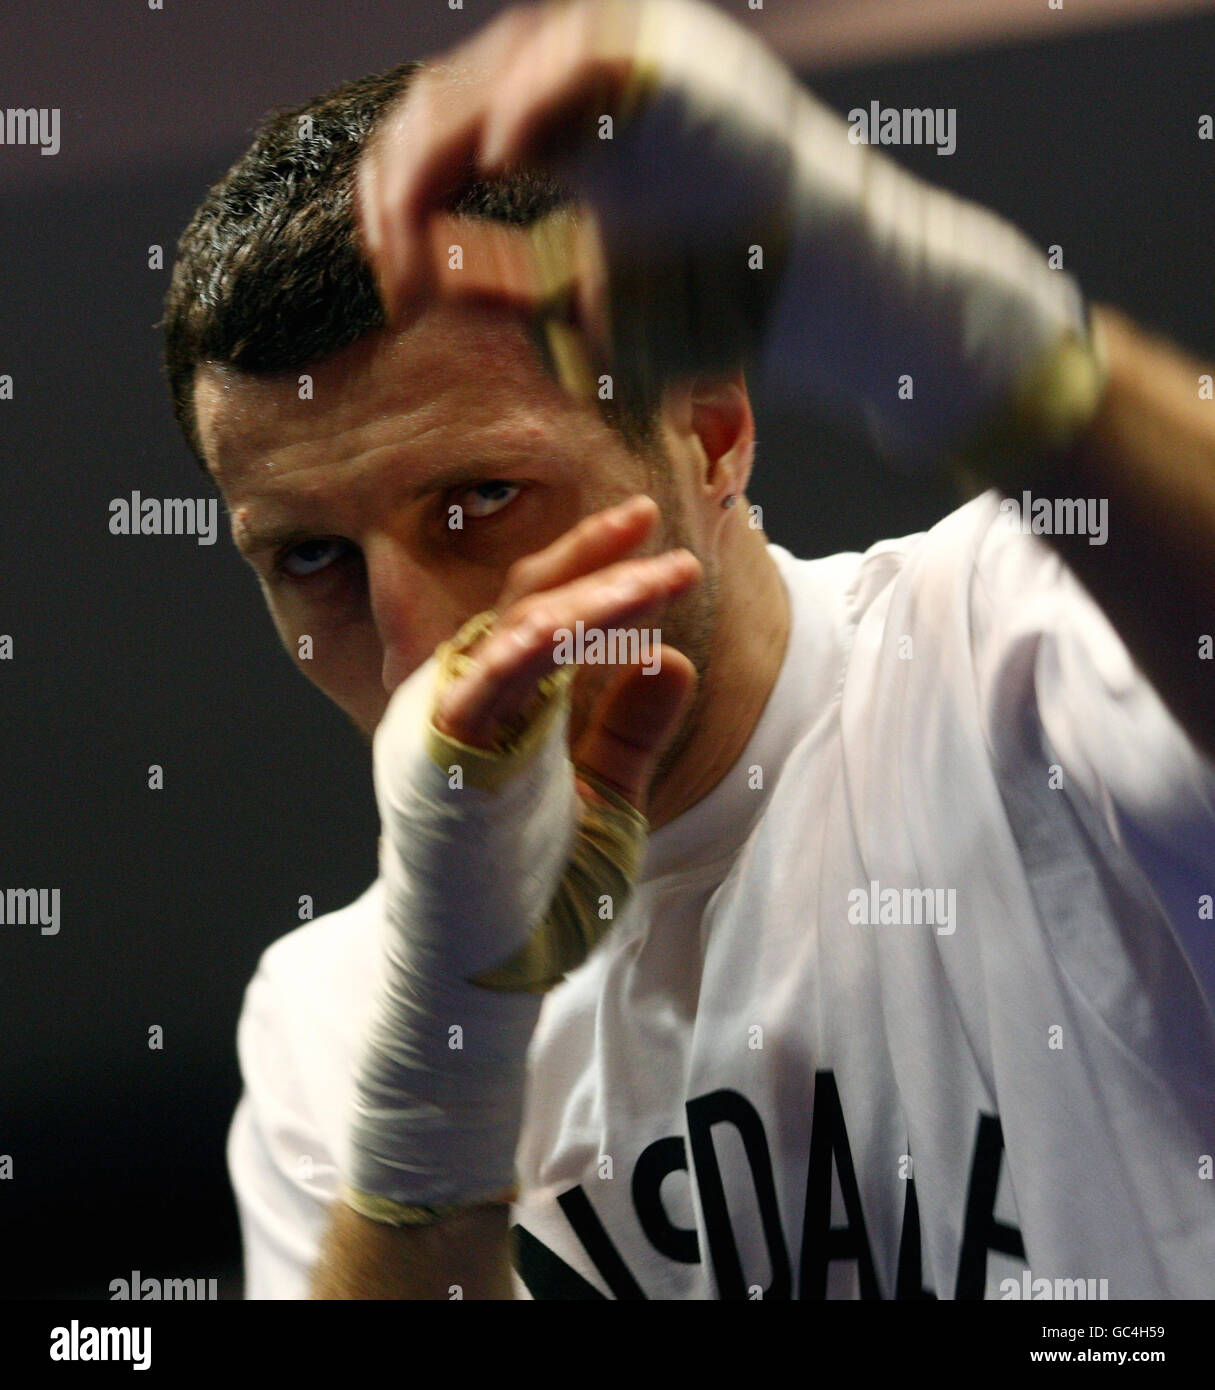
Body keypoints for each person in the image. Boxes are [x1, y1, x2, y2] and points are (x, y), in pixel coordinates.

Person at [162, 0, 1215, 1299]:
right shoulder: (336, 1020)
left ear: (712, 433)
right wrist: (452, 1031)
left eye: (482, 498)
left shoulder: (1009, 645)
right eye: (311, 559)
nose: (416, 640)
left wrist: (948, 325)